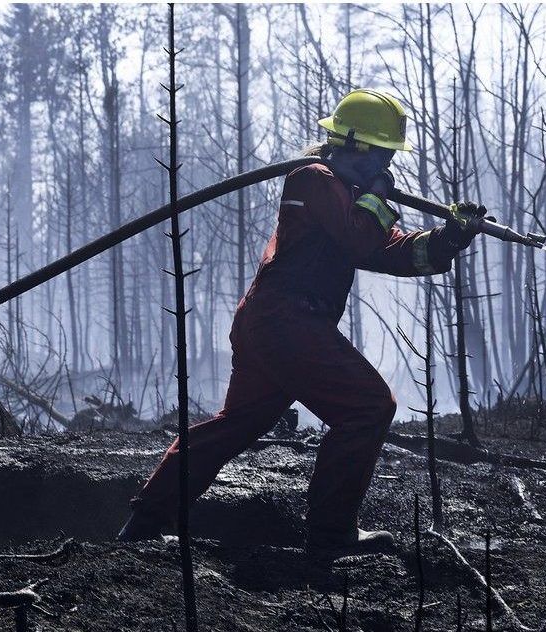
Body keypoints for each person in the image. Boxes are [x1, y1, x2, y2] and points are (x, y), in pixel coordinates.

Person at [118, 88, 486, 560]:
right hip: (287, 321)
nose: (386, 168)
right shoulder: (312, 179)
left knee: (237, 424)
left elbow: (389, 250)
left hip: (275, 325)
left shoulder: (349, 196)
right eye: (382, 155)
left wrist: (450, 237)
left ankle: (146, 520)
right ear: (356, 145)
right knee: (369, 407)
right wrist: (376, 198)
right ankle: (332, 534)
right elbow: (358, 238)